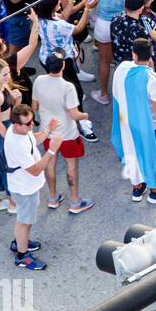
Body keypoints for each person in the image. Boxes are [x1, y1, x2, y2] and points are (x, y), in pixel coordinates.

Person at [110, 38, 156, 205]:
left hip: (124, 122)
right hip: (146, 124)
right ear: (151, 56)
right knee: (150, 155)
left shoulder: (122, 68)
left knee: (130, 151)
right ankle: (155, 190)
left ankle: (137, 186)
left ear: (133, 54)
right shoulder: (152, 78)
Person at [31, 52, 92, 215]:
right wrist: (85, 115)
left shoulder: (38, 81)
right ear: (63, 66)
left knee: (50, 163)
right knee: (71, 166)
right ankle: (75, 201)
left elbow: (34, 107)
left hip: (48, 132)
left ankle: (53, 197)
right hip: (67, 134)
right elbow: (74, 114)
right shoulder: (68, 87)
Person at [3, 103, 58, 270]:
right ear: (16, 124)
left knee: (25, 219)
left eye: (32, 121)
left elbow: (34, 140)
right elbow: (34, 170)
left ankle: (20, 242)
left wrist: (48, 130)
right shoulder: (17, 144)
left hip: (26, 185)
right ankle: (22, 256)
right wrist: (52, 151)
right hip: (24, 188)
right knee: (24, 222)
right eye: (28, 123)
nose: (32, 125)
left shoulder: (21, 132)